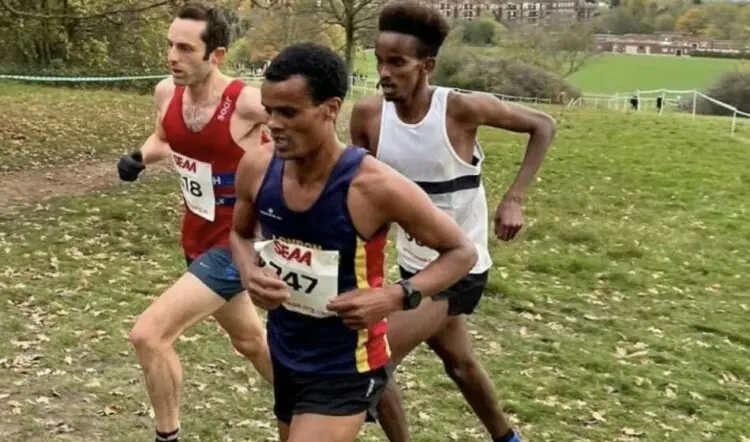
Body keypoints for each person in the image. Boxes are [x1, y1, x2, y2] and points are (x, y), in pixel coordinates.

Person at [229, 42, 478, 442]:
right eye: (268, 110)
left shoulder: (374, 186)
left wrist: (396, 296)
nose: (273, 124)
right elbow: (240, 234)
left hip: (347, 363)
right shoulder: (257, 167)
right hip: (285, 350)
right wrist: (248, 272)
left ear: (330, 108)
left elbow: (462, 252)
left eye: (288, 112)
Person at [349, 2, 557, 442]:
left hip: (463, 267)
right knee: (460, 364)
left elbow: (543, 125)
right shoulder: (368, 117)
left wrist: (514, 198)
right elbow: (363, 191)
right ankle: (508, 438)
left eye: (397, 63)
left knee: (372, 358)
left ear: (426, 66)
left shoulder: (459, 110)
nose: (384, 72)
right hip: (413, 266)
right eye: (379, 60)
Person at [115, 4, 272, 442]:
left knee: (149, 336)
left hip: (238, 243)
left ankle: (167, 437)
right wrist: (140, 157)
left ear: (216, 55)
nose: (172, 56)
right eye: (170, 45)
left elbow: (306, 126)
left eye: (185, 48)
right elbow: (164, 138)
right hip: (197, 236)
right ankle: (314, 406)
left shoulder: (247, 102)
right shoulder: (166, 92)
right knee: (250, 341)